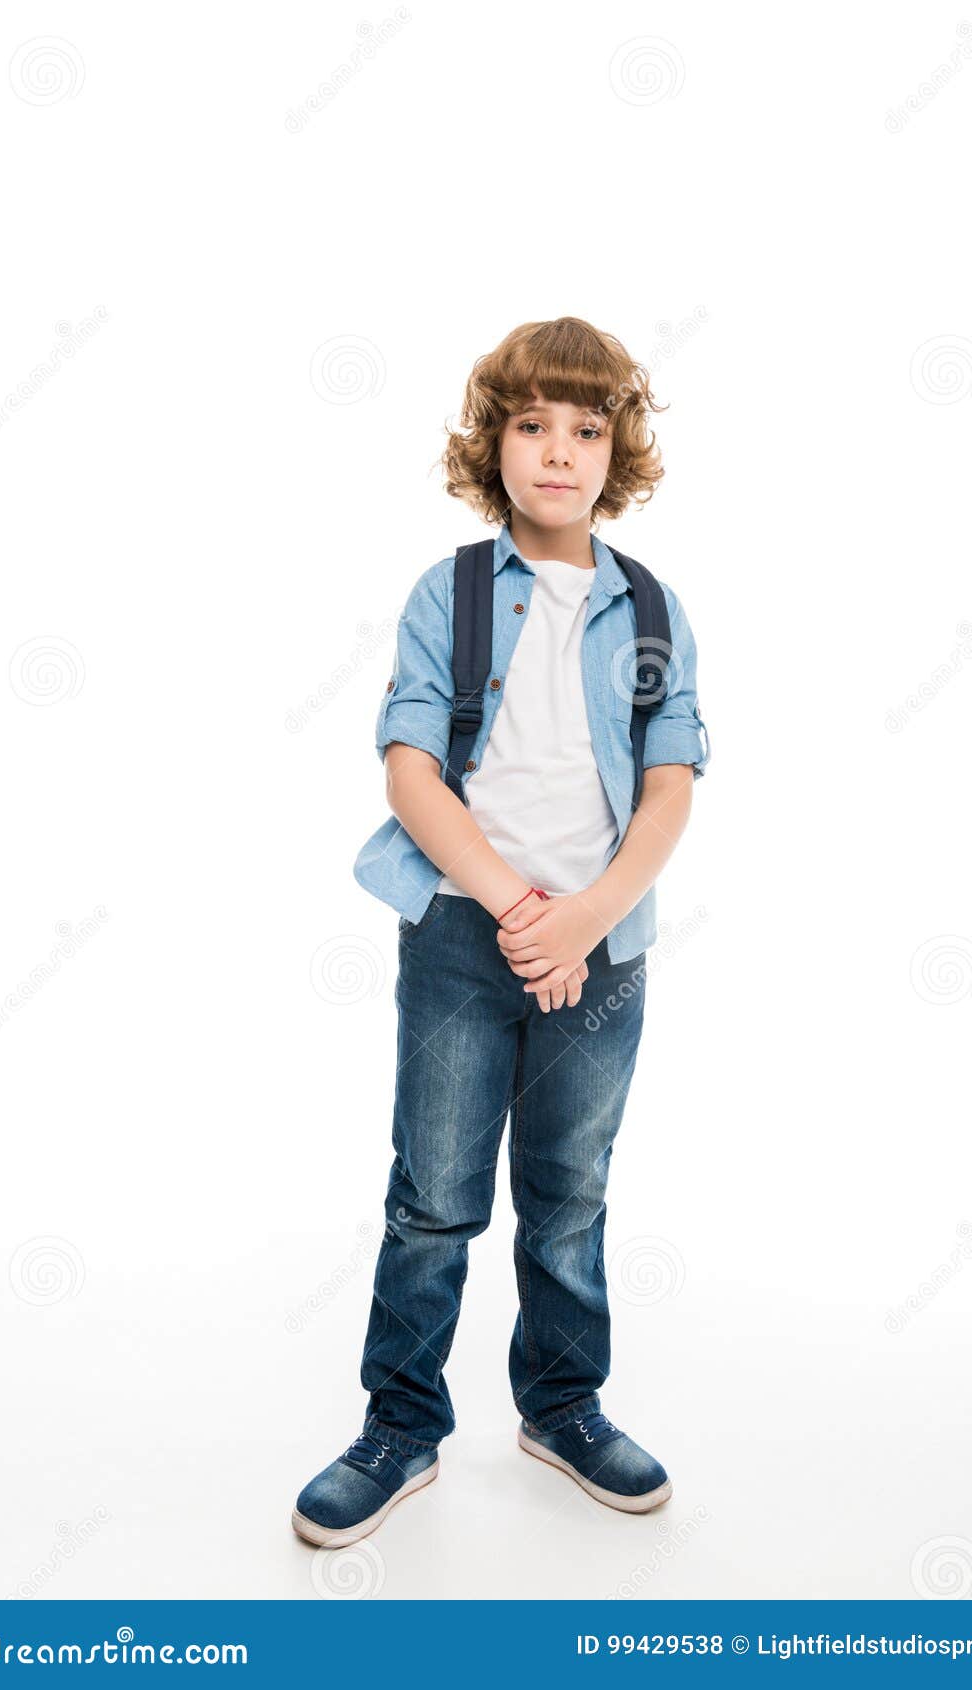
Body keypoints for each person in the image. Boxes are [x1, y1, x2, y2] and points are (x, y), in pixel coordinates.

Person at [293, 316, 711, 1550]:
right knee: (432, 1194)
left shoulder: (651, 611)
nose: (560, 451)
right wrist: (521, 910)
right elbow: (410, 768)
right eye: (533, 425)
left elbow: (670, 787)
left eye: (587, 428)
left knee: (570, 1191)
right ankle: (400, 1423)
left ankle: (563, 1406)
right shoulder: (453, 593)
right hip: (464, 939)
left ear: (617, 452)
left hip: (603, 949)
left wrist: (585, 916)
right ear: (495, 443)